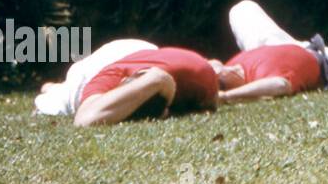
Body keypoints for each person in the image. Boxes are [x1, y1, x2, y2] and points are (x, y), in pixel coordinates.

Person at [211, 0, 328, 104]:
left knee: (241, 9)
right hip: (325, 63)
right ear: (224, 81)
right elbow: (280, 85)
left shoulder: (230, 65)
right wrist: (227, 97)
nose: (213, 64)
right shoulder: (265, 78)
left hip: (276, 46)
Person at [72, 47, 219, 127]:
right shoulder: (202, 80)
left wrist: (157, 80)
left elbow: (85, 120)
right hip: (133, 51)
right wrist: (157, 79)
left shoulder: (199, 78)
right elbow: (84, 120)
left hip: (133, 50)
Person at [34, 38, 158, 118]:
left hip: (132, 49)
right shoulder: (92, 86)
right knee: (63, 94)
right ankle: (50, 87)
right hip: (118, 57)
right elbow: (85, 116)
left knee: (60, 89)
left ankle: (50, 86)